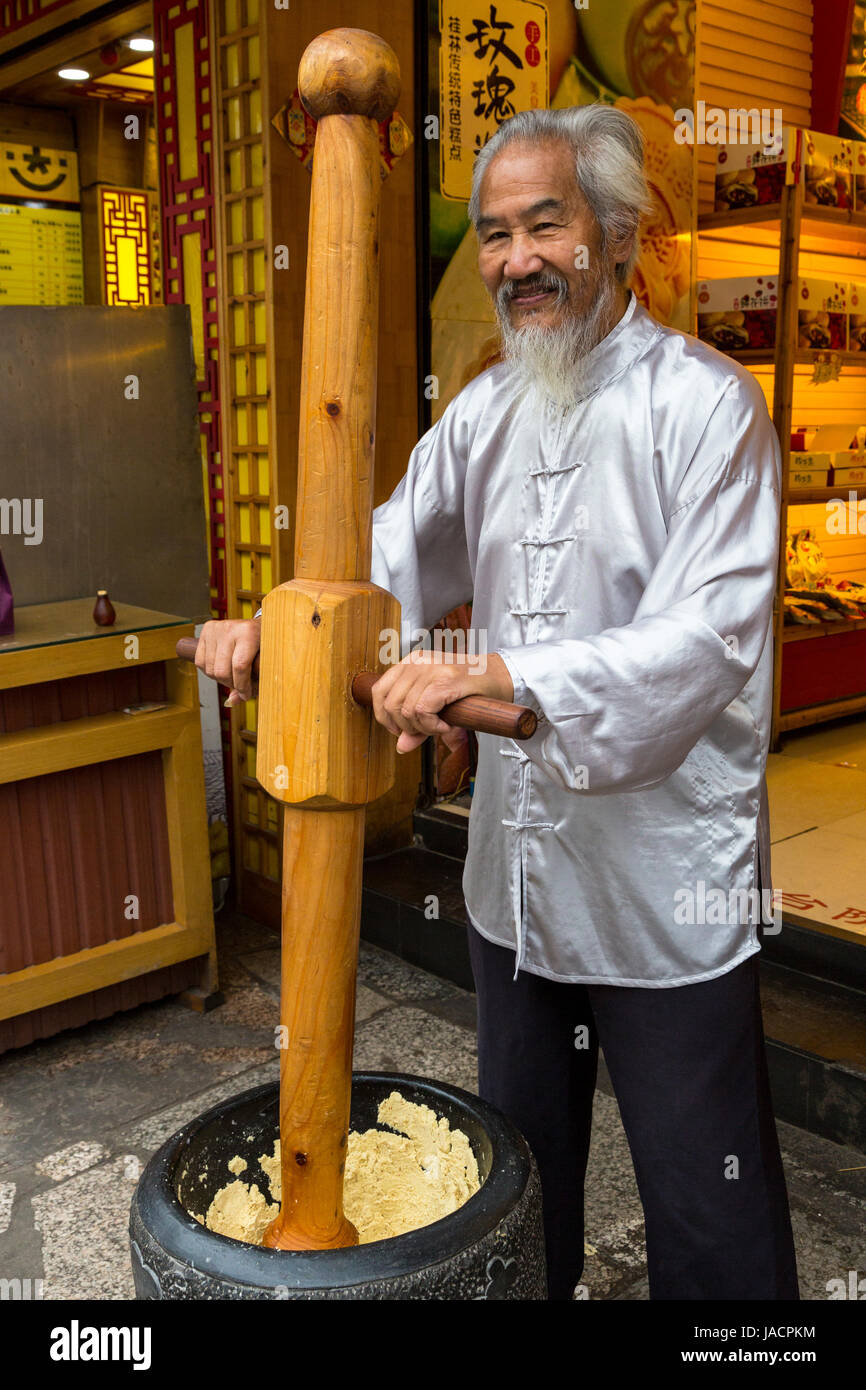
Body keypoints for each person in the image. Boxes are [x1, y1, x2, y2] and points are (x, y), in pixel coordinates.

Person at [194, 104, 799, 1301]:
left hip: (664, 883)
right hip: (515, 883)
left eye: (543, 225)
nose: (514, 259)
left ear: (617, 237)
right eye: (490, 234)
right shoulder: (480, 412)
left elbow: (707, 636)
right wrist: (281, 634)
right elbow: (383, 565)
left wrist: (511, 679)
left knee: (704, 1189)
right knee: (515, 1177)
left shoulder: (707, 408)